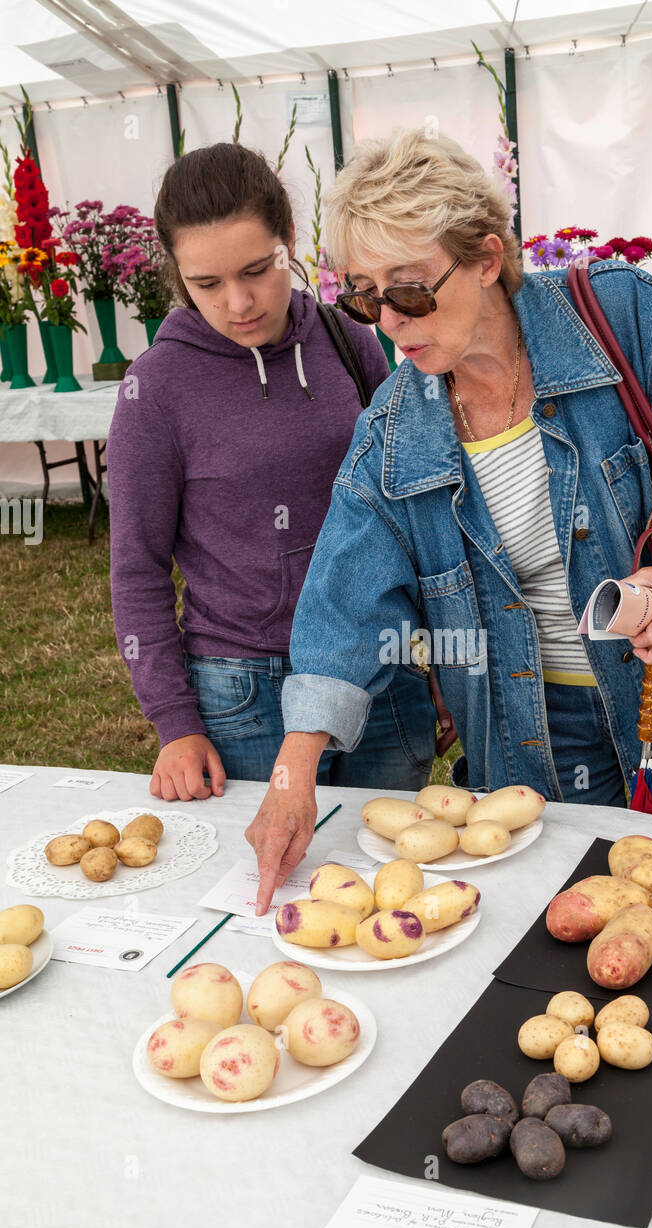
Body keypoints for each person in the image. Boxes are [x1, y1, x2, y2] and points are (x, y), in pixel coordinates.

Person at [245, 128, 652, 912]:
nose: (390, 322)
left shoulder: (625, 315)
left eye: (408, 287)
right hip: (526, 737)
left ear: (485, 258)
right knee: (562, 949)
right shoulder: (391, 433)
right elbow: (342, 608)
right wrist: (290, 775)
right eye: (365, 296)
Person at [107, 141, 436, 802]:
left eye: (258, 269)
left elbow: (405, 507)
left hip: (379, 665)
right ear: (177, 273)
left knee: (393, 880)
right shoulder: (157, 388)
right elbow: (137, 567)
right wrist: (175, 727)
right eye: (207, 283)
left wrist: (433, 663)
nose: (238, 302)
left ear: (289, 236)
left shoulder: (349, 340)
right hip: (245, 692)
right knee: (277, 895)